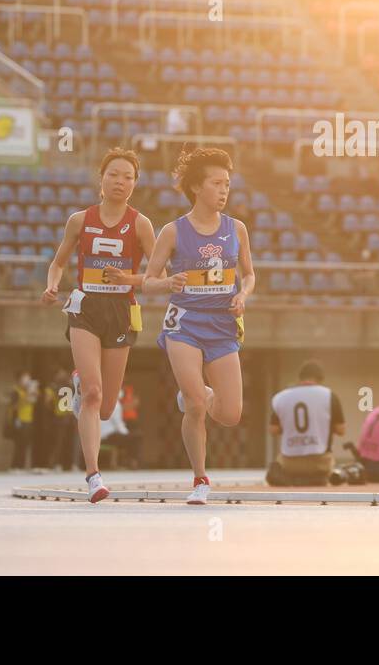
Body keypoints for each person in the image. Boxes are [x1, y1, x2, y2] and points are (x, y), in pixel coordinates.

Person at [42, 147, 156, 503]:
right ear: (101, 179)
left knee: (106, 407)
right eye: (114, 175)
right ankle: (93, 475)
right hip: (86, 306)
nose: (120, 182)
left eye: (128, 177)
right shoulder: (80, 220)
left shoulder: (140, 224)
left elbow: (159, 276)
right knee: (92, 394)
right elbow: (59, 262)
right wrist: (51, 284)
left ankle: (84, 384)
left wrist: (129, 278)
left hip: (121, 310)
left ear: (135, 184)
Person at [143, 146, 254, 505]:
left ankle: (204, 395)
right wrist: (167, 283)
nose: (224, 191)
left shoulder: (237, 228)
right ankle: (200, 479)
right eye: (216, 183)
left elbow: (249, 275)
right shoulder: (173, 232)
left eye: (227, 184)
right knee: (192, 406)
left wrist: (243, 295)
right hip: (185, 324)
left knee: (230, 414)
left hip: (223, 325)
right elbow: (148, 279)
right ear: (196, 188)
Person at [266, 360, 345, 486]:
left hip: (289, 463)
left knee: (279, 463)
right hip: (320, 463)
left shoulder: (282, 397)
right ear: (320, 379)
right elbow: (341, 430)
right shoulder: (329, 395)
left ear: (300, 378)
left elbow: (273, 430)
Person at [6, 371, 37, 469]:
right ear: (19, 380)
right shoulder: (16, 391)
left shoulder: (28, 391)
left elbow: (34, 400)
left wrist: (33, 392)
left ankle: (21, 466)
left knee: (25, 444)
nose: (27, 380)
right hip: (19, 420)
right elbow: (12, 406)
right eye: (25, 378)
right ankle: (15, 466)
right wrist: (25, 399)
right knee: (19, 444)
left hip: (28, 420)